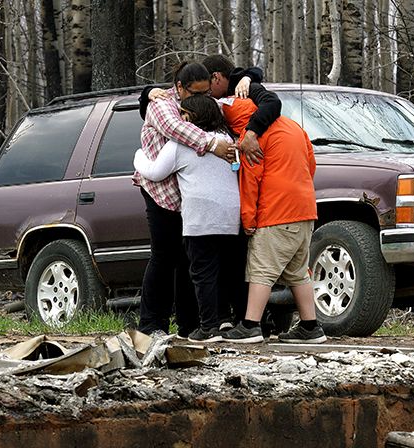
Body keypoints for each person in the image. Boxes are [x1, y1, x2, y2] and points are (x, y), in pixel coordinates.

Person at [132, 62, 233, 338]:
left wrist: (248, 79)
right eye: (195, 94)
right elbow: (175, 128)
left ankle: (190, 325)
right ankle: (152, 325)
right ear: (179, 88)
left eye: (206, 94)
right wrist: (213, 144)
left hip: (189, 195)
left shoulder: (201, 106)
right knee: (164, 257)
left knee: (189, 262)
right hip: (161, 193)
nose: (202, 99)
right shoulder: (162, 105)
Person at [218, 96, 327, 344]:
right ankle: (310, 327)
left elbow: (250, 182)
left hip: (276, 214)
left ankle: (250, 326)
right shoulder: (292, 126)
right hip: (305, 210)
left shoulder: (252, 139)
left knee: (261, 270)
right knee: (299, 272)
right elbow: (311, 164)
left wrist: (248, 219)